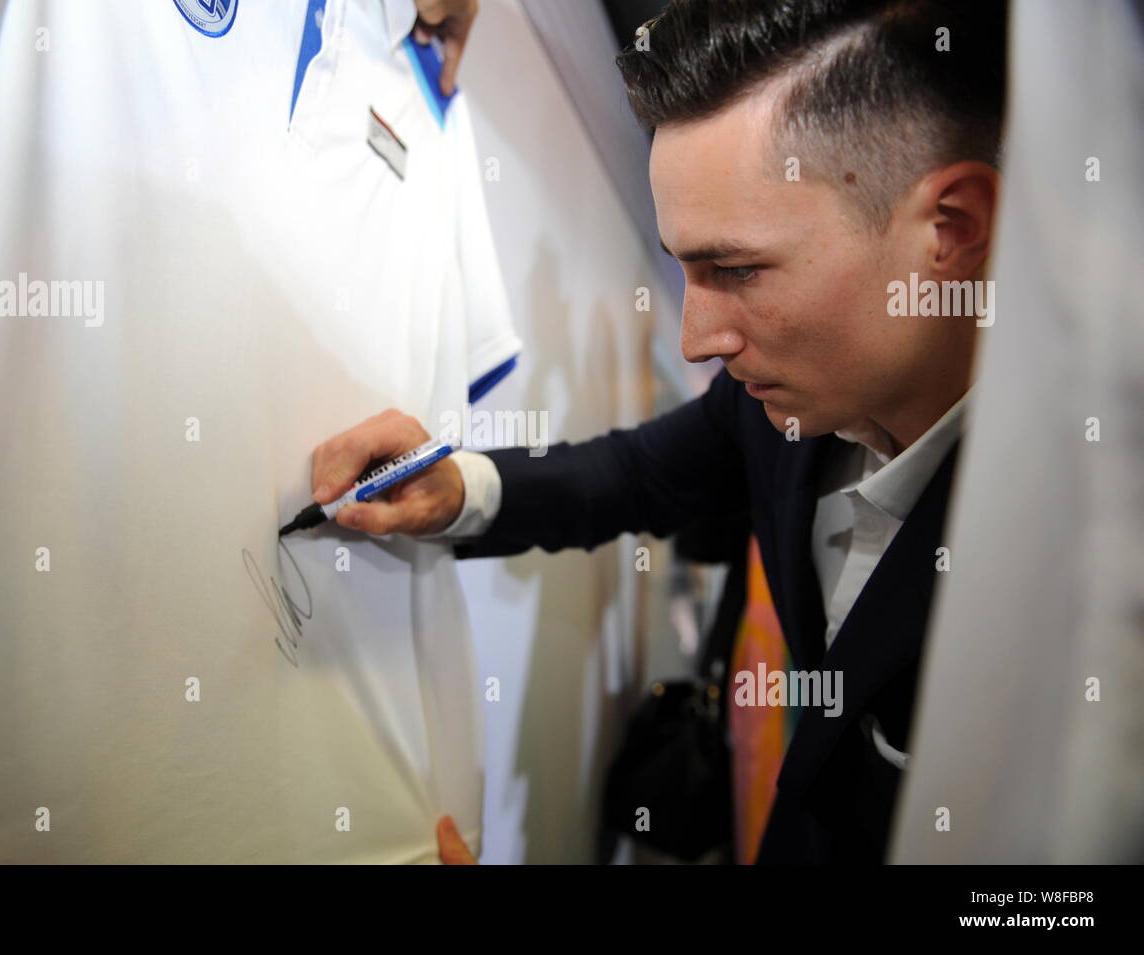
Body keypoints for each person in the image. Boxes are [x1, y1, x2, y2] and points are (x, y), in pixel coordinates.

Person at [314, 0, 1009, 863]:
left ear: (953, 230)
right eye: (685, 268)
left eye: (738, 268)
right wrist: (458, 487)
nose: (696, 339)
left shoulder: (1087, 560)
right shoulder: (785, 413)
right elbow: (637, 473)